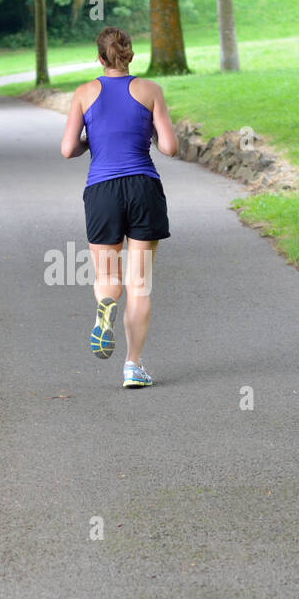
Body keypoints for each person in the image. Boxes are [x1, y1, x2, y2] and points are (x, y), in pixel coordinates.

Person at [60, 26, 177, 388]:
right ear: (131, 55)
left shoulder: (83, 93)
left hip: (102, 191)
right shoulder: (150, 90)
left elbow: (67, 150)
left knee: (108, 277)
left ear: (99, 58)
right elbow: (170, 147)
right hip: (143, 186)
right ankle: (133, 366)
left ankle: (104, 311)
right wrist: (149, 133)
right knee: (139, 284)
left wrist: (89, 141)